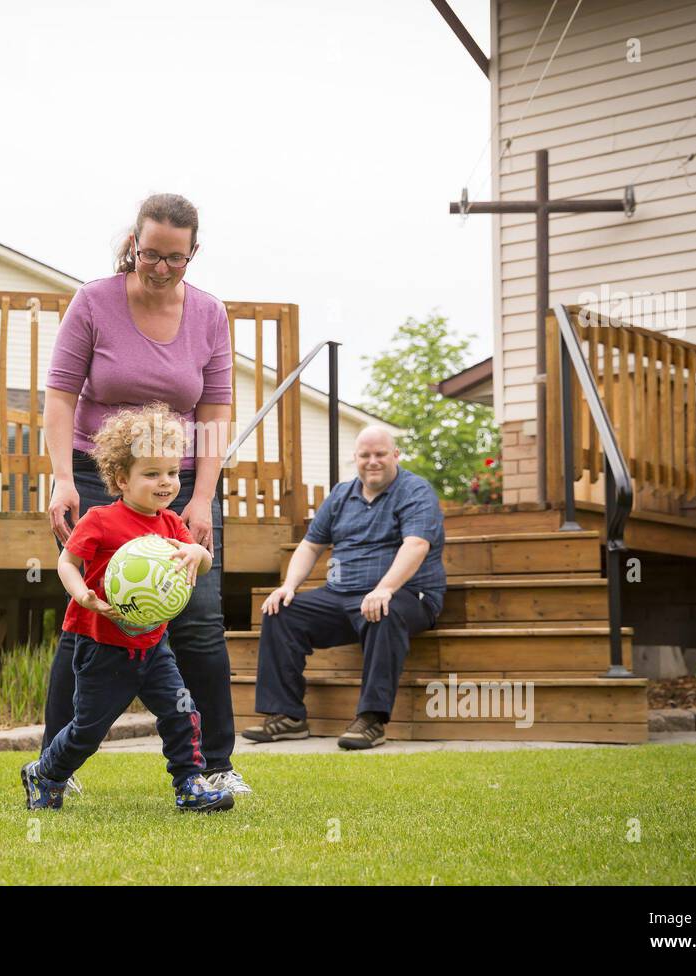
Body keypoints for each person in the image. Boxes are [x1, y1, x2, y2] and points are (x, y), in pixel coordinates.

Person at [42, 192, 250, 795]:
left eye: (175, 259)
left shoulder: (210, 314)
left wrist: (201, 494)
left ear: (194, 254)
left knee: (200, 621)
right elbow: (59, 395)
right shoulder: (94, 301)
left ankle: (216, 766)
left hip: (174, 479)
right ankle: (58, 768)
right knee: (85, 619)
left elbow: (214, 410)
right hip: (94, 473)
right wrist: (61, 479)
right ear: (133, 243)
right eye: (149, 254)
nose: (159, 268)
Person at [22, 404, 234, 813]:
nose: (166, 483)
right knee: (88, 731)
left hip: (153, 645)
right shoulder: (100, 520)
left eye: (172, 473)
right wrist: (81, 594)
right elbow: (67, 562)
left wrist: (195, 551)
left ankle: (189, 784)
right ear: (122, 479)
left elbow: (203, 563)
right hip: (102, 644)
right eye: (152, 474)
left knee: (182, 712)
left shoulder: (171, 523)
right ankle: (46, 772)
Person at [242, 426, 446, 750]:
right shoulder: (341, 495)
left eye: (380, 454)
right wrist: (288, 586)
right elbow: (310, 546)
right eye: (365, 455)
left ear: (395, 455)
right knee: (281, 611)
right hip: (341, 594)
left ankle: (371, 720)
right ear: (356, 459)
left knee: (384, 610)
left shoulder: (414, 491)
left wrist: (385, 588)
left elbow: (417, 544)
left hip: (407, 594)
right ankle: (288, 717)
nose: (373, 461)